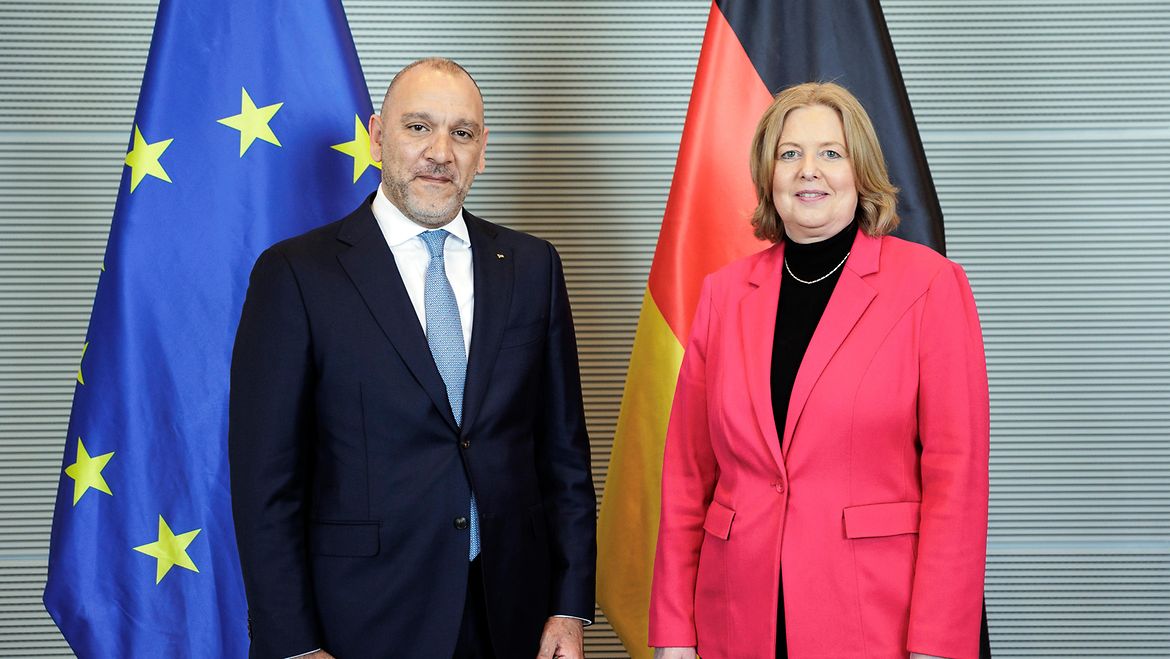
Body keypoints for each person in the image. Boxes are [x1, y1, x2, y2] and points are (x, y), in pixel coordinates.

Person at [229, 58, 596, 659]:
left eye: (461, 133)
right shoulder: (296, 274)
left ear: (483, 151)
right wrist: (293, 643)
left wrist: (570, 604)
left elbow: (564, 456)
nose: (440, 152)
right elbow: (265, 482)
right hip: (361, 620)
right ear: (377, 136)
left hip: (513, 615)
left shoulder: (533, 267)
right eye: (418, 127)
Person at [648, 82, 990, 659]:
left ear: (861, 171)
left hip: (874, 621)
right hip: (736, 619)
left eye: (831, 153)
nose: (810, 170)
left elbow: (957, 484)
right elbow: (686, 477)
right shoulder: (723, 295)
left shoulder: (930, 286)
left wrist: (938, 643)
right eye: (790, 154)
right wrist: (674, 635)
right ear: (769, 175)